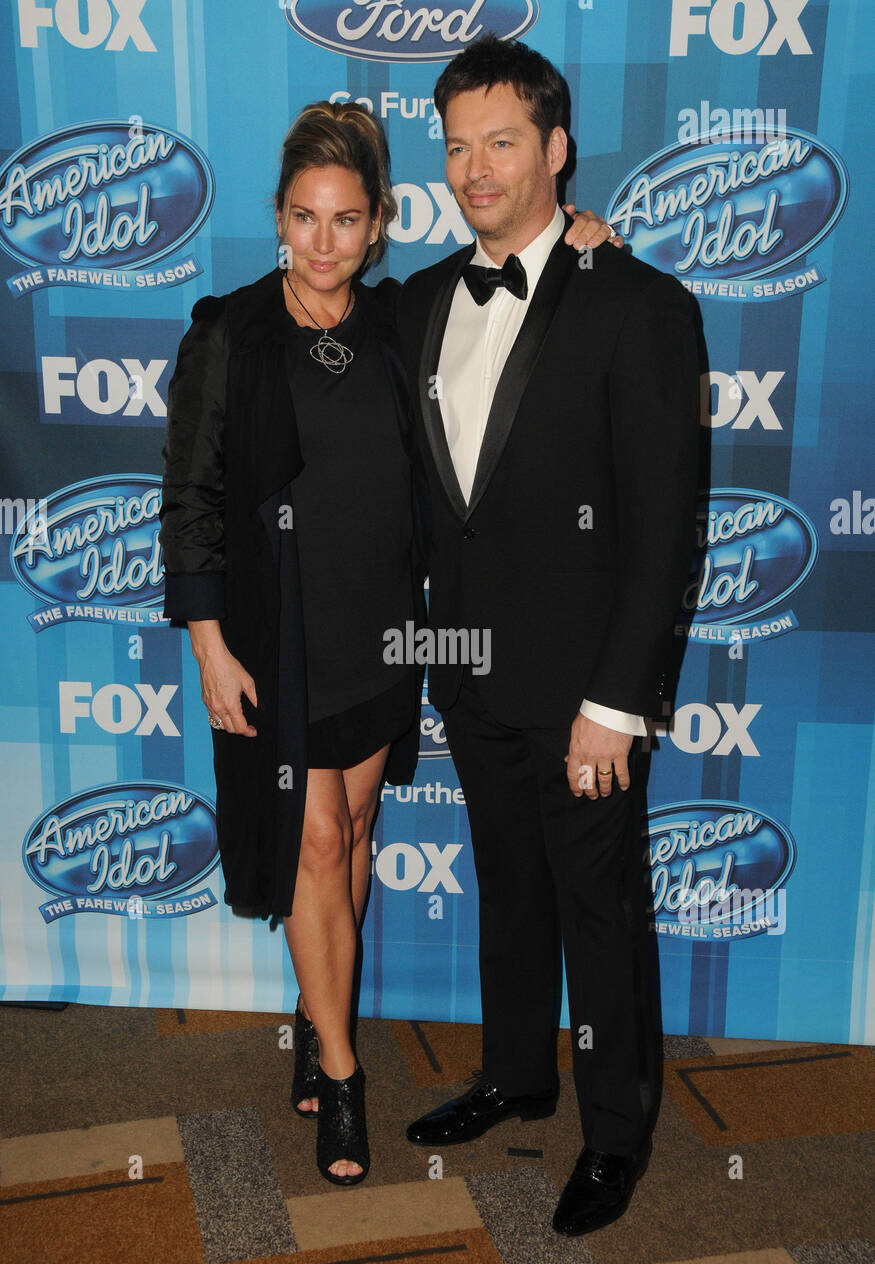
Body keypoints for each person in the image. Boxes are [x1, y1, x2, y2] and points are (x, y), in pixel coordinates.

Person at [159, 99, 616, 1188]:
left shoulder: (401, 317)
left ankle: (317, 1016)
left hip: (382, 632)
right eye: (304, 218)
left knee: (356, 832)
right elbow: (190, 501)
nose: (323, 242)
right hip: (278, 638)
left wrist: (587, 231)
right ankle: (339, 1071)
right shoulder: (229, 332)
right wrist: (209, 646)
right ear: (277, 218)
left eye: (346, 220)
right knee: (314, 845)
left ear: (377, 227)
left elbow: (520, 258)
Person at [397, 37, 702, 1235]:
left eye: (501, 143)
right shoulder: (420, 300)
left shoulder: (639, 303)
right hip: (467, 674)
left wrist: (615, 703)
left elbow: (661, 527)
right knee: (508, 892)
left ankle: (614, 1130)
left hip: (584, 692)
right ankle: (515, 1072)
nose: (474, 169)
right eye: (457, 145)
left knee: (599, 908)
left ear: (555, 150)